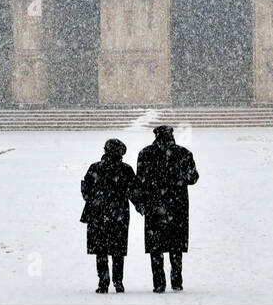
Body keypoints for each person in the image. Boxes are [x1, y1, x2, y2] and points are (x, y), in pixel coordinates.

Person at [135, 125, 199, 292]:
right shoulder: (183, 153)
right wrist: (178, 179)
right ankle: (176, 281)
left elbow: (139, 181)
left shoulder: (145, 153)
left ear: (156, 136)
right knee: (175, 246)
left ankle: (159, 283)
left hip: (154, 205)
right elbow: (193, 177)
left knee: (155, 247)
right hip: (177, 206)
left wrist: (140, 202)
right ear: (172, 135)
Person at [80, 138, 138, 293]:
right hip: (119, 215)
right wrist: (142, 206)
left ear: (105, 151)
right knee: (118, 250)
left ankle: (103, 282)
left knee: (101, 250)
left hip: (97, 215)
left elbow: (85, 190)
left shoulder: (95, 168)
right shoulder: (126, 169)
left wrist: (95, 200)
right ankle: (118, 282)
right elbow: (134, 192)